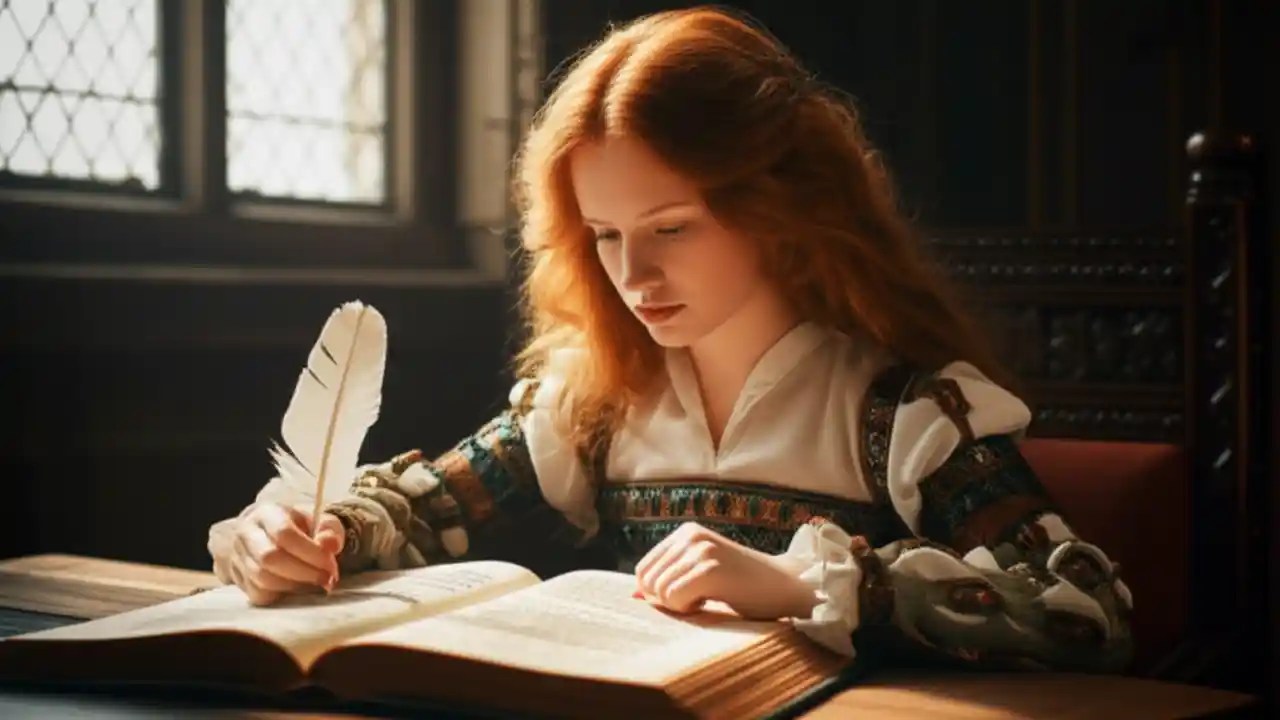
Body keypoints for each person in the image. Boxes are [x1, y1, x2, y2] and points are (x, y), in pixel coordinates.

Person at [207, 6, 1132, 672]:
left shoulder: (899, 414)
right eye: (605, 237)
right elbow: (416, 510)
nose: (633, 275)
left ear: (778, 210)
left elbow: (1085, 611)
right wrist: (299, 533)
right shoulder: (598, 401)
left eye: (672, 228)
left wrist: (800, 582)